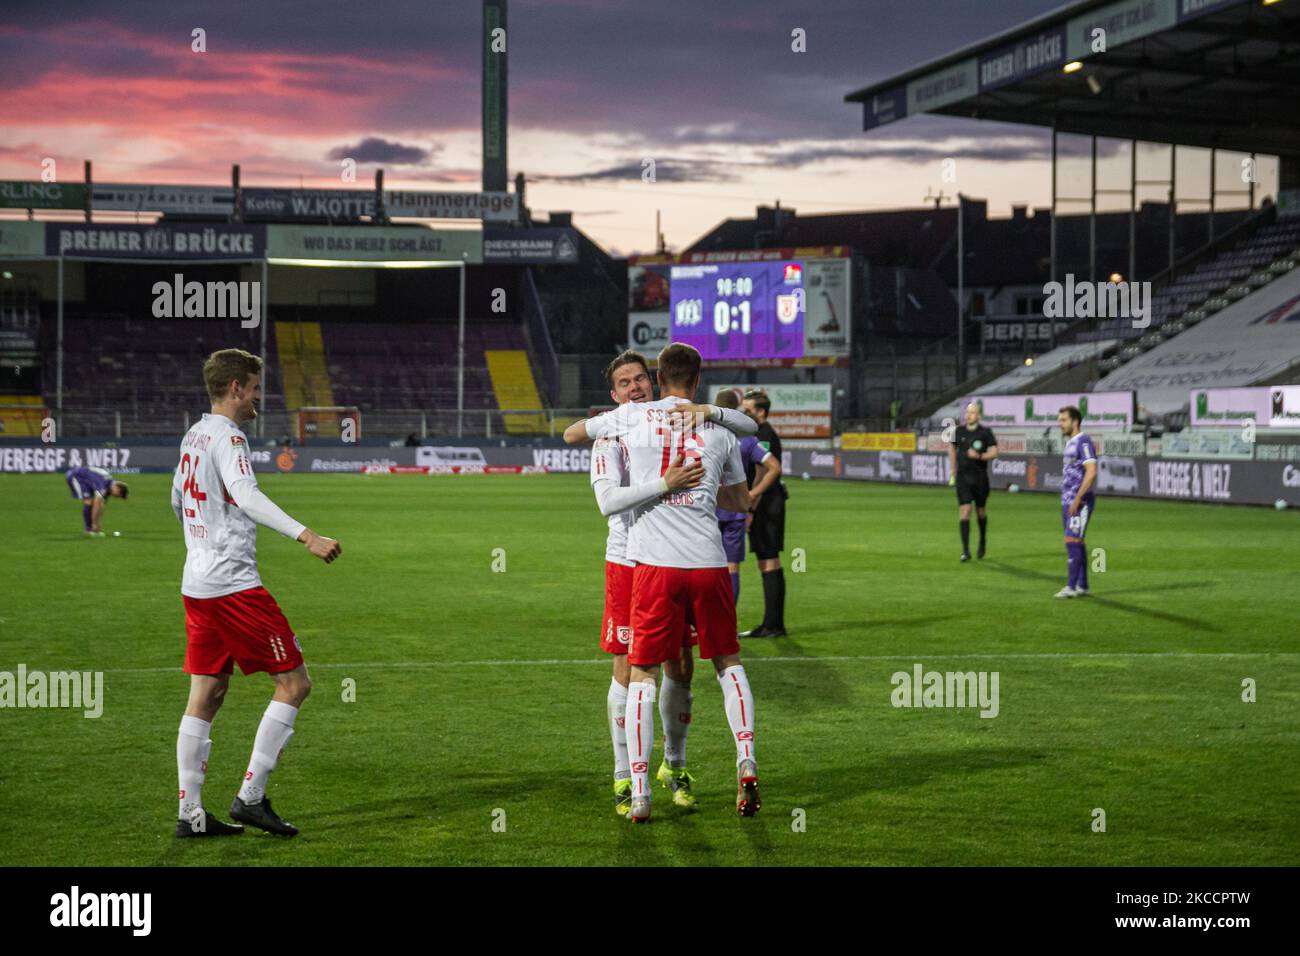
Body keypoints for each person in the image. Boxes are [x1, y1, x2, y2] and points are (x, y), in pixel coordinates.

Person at [566, 353, 759, 814]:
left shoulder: (668, 419)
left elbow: (740, 433)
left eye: (639, 379)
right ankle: (623, 775)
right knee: (628, 668)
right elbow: (606, 497)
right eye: (624, 382)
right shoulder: (614, 430)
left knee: (681, 667)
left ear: (654, 381)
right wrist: (668, 483)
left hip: (666, 562)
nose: (634, 387)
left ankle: (674, 764)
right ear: (613, 394)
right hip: (628, 561)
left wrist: (706, 426)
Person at [171, 348, 341, 838]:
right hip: (233, 587)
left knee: (206, 693)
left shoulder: (194, 433)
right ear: (234, 388)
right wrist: (308, 536)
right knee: (295, 684)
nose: (257, 397)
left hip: (197, 584)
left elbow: (178, 497)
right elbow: (246, 495)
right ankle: (250, 797)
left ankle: (191, 814)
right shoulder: (229, 437)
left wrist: (200, 544)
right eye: (253, 387)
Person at [713, 388, 781, 604]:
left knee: (704, 566)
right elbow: (774, 467)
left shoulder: (705, 434)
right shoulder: (748, 439)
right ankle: (728, 619)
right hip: (736, 512)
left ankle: (704, 618)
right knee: (732, 567)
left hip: (708, 509)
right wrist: (751, 495)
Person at [739, 389, 788, 638]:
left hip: (767, 506)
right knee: (767, 560)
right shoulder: (760, 433)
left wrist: (751, 503)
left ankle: (773, 625)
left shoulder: (764, 435)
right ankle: (772, 624)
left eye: (747, 409)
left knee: (769, 560)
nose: (743, 412)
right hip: (767, 504)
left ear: (760, 412)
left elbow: (763, 473)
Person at [947, 402, 998, 561]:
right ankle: (965, 551)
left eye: (972, 412)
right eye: (967, 412)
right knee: (965, 510)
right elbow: (951, 448)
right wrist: (952, 469)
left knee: (980, 512)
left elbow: (995, 452)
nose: (968, 415)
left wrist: (980, 456)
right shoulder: (958, 431)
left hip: (980, 478)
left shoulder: (985, 432)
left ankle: (982, 540)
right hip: (963, 478)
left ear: (978, 415)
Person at [1056, 405, 1097, 599]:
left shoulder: (1084, 441)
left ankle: (1071, 587)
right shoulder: (1070, 443)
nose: (1060, 424)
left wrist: (1078, 498)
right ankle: (1083, 585)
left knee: (1072, 541)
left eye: (1064, 420)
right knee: (1075, 541)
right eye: (1060, 420)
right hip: (1068, 500)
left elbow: (1091, 471)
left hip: (1080, 502)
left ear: (1075, 421)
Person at [65, 465, 128, 536]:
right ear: (117, 488)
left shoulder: (109, 486)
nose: (117, 497)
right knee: (88, 501)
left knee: (91, 501)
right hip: (76, 476)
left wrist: (97, 523)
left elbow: (101, 505)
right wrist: (94, 524)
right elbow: (97, 502)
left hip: (85, 479)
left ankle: (92, 529)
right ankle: (89, 530)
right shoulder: (104, 484)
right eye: (119, 494)